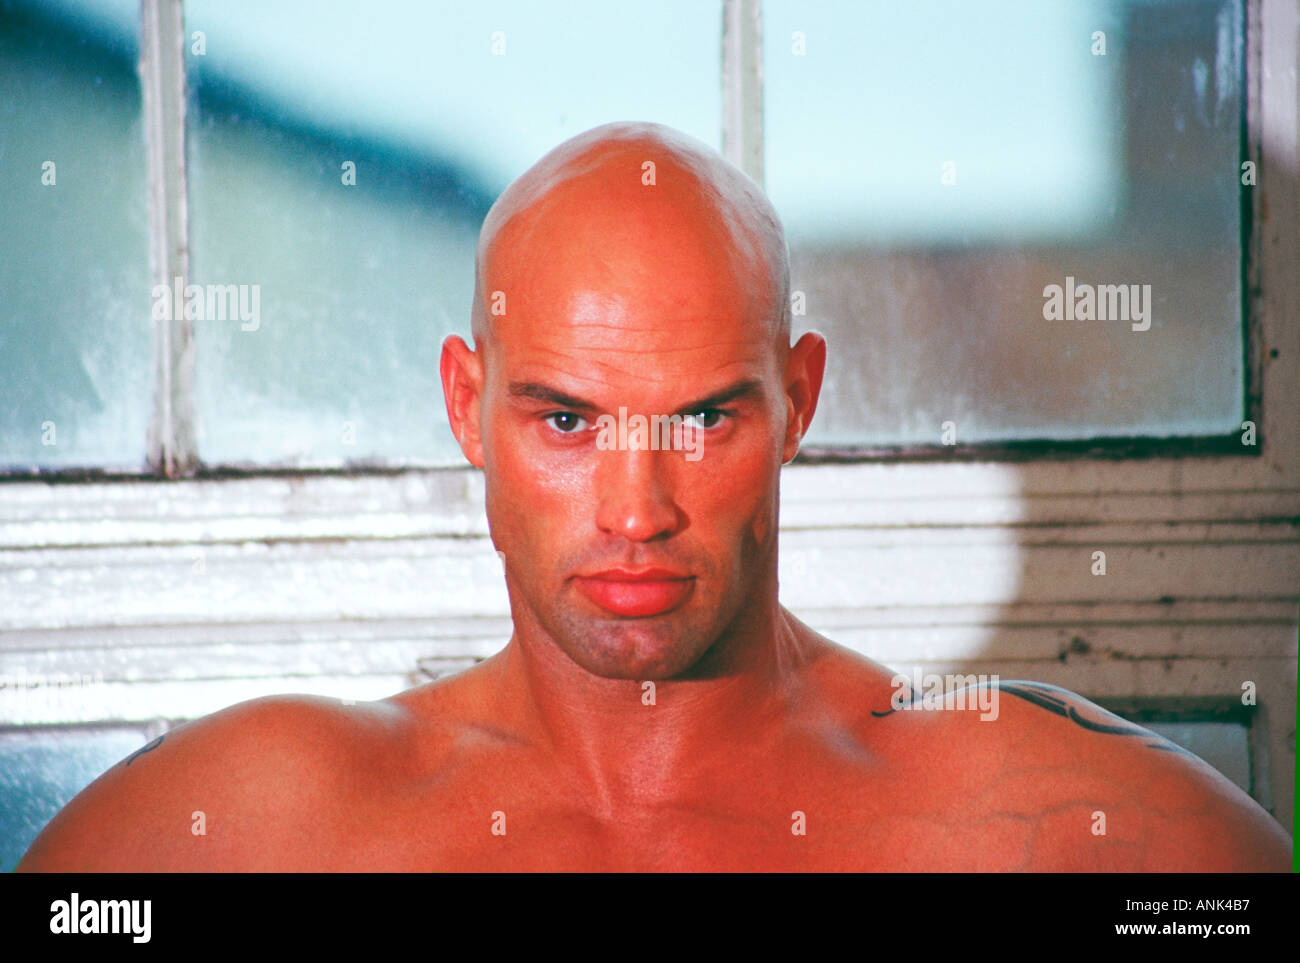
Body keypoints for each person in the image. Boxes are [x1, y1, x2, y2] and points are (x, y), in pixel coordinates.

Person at [18, 122, 1291, 872]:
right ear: (468, 408)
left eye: (701, 417)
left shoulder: (1033, 822)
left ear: (798, 400)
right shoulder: (266, 825)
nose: (635, 509)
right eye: (566, 420)